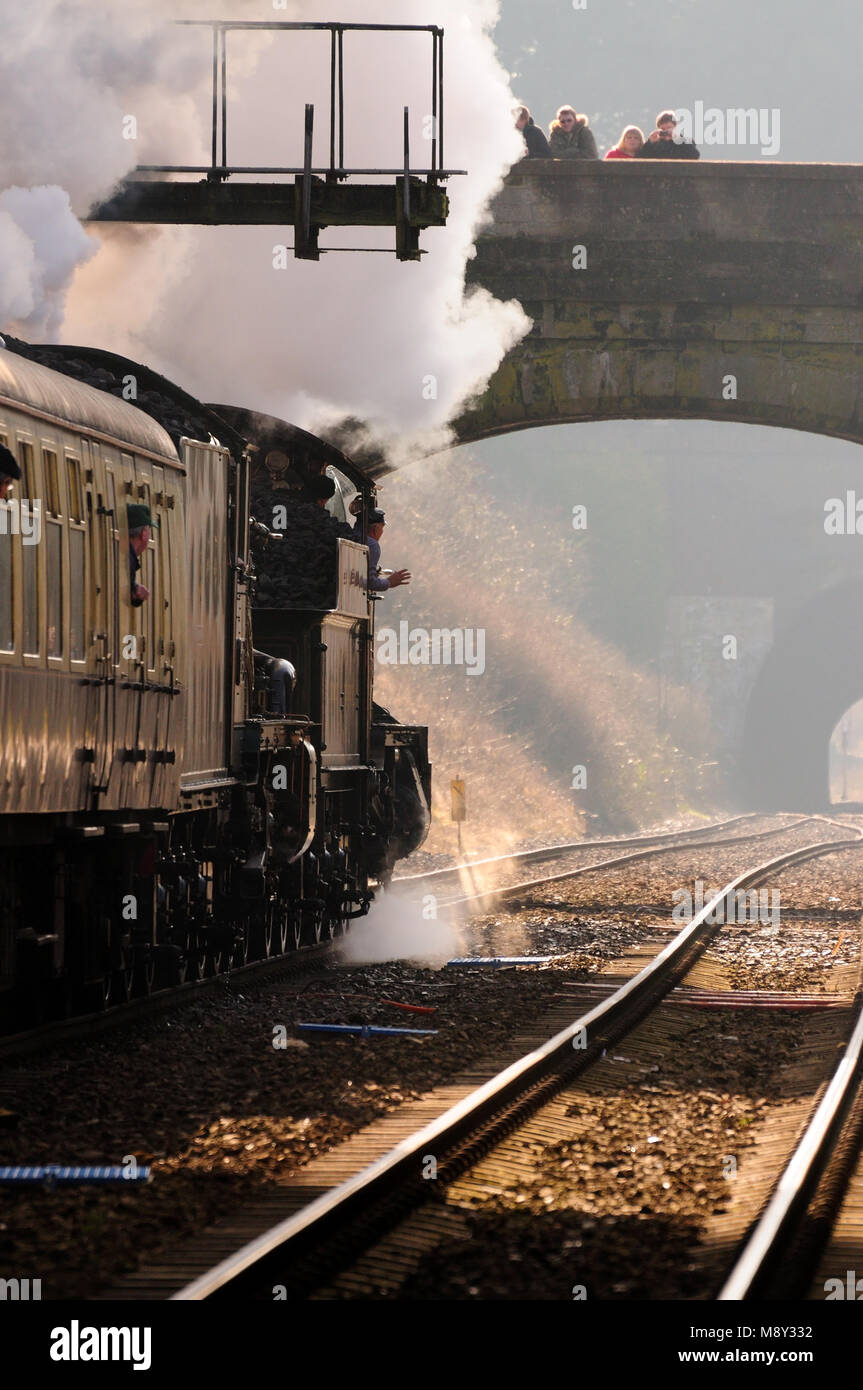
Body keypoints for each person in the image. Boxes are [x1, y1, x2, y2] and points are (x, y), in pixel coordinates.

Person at [351, 508, 410, 592]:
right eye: (382, 528)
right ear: (375, 529)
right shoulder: (372, 545)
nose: (382, 532)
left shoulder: (349, 535)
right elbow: (369, 582)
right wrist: (389, 582)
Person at [127, 502, 157, 606]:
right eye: (149, 532)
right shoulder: (128, 558)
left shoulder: (123, 553)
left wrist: (134, 589)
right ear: (144, 534)